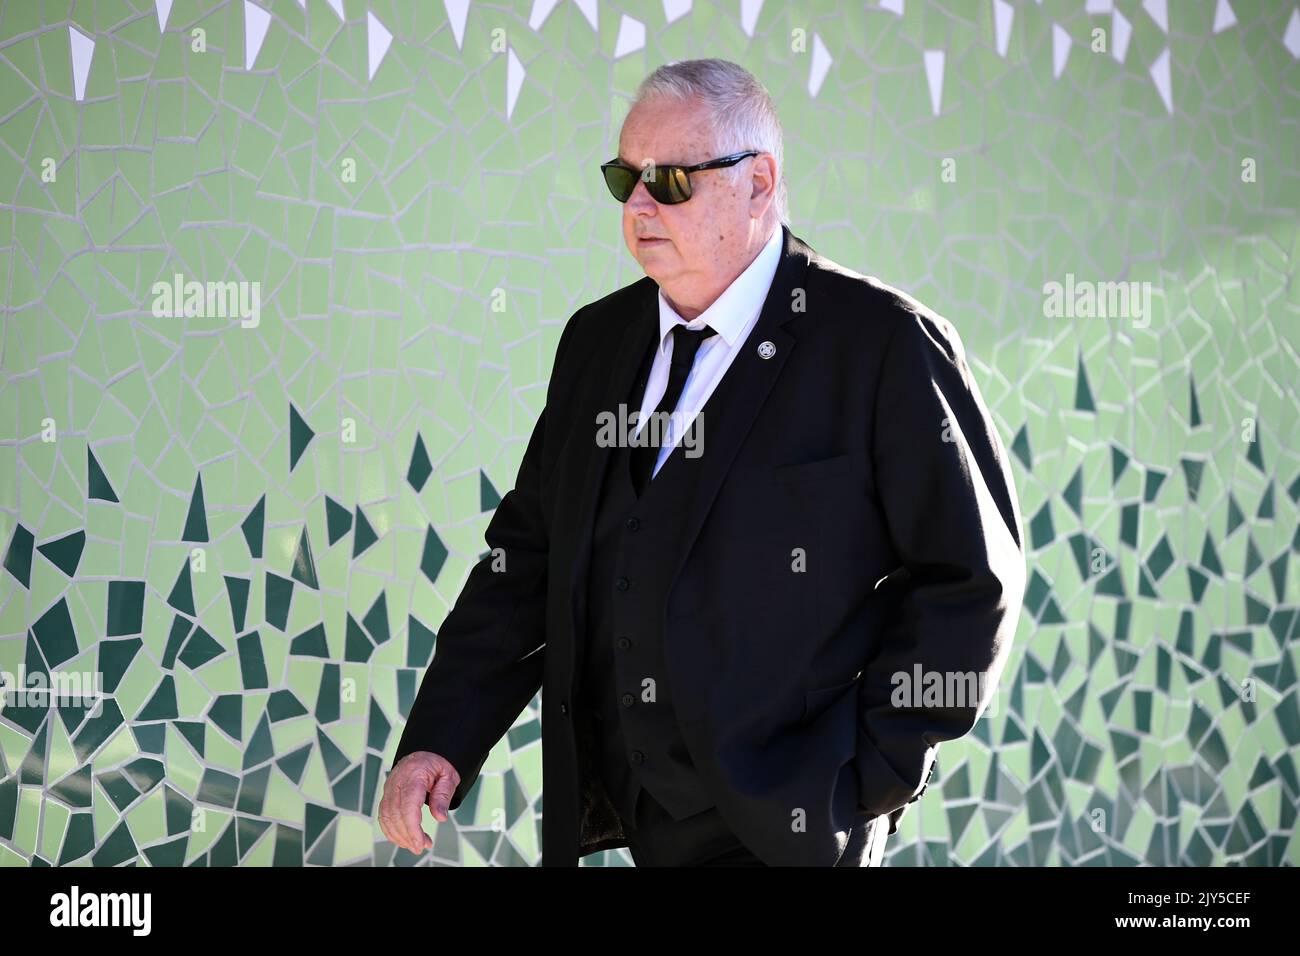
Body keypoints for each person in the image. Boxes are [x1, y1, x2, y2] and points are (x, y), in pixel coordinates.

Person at [378, 58, 1026, 867]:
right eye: (626, 179)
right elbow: (527, 562)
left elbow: (973, 579)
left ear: (759, 183)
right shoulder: (596, 344)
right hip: (637, 824)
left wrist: (871, 773)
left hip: (799, 826)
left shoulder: (880, 343)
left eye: (673, 180)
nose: (641, 205)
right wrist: (440, 738)